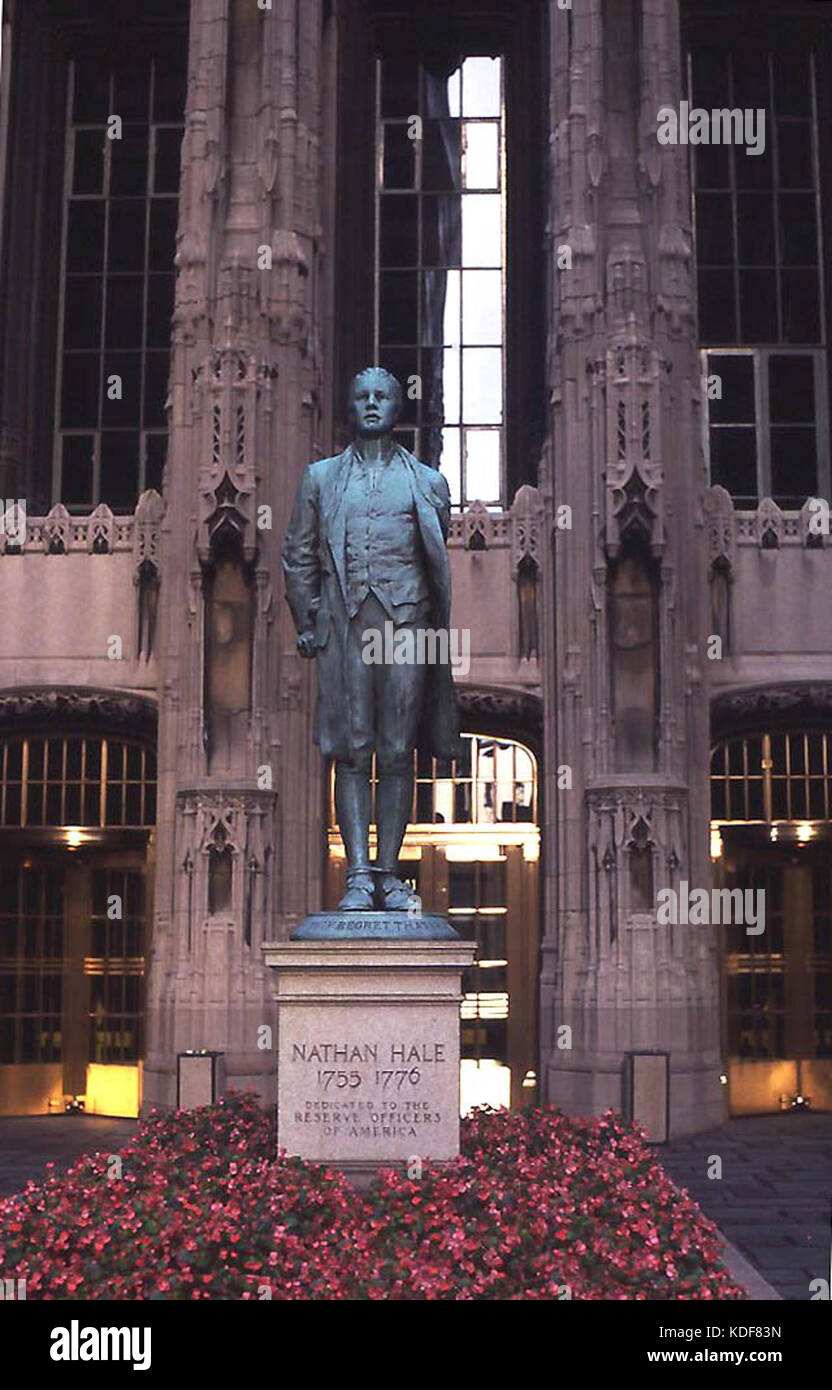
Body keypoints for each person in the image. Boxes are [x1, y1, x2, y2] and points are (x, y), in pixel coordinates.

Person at [282, 367, 460, 911]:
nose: (372, 404)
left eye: (383, 395)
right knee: (352, 750)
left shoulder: (428, 482)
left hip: (407, 628)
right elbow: (298, 553)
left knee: (397, 750)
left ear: (398, 406)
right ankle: (357, 872)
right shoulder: (321, 478)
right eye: (362, 396)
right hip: (346, 627)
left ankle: (388, 871)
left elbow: (433, 559)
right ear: (350, 407)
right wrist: (309, 621)